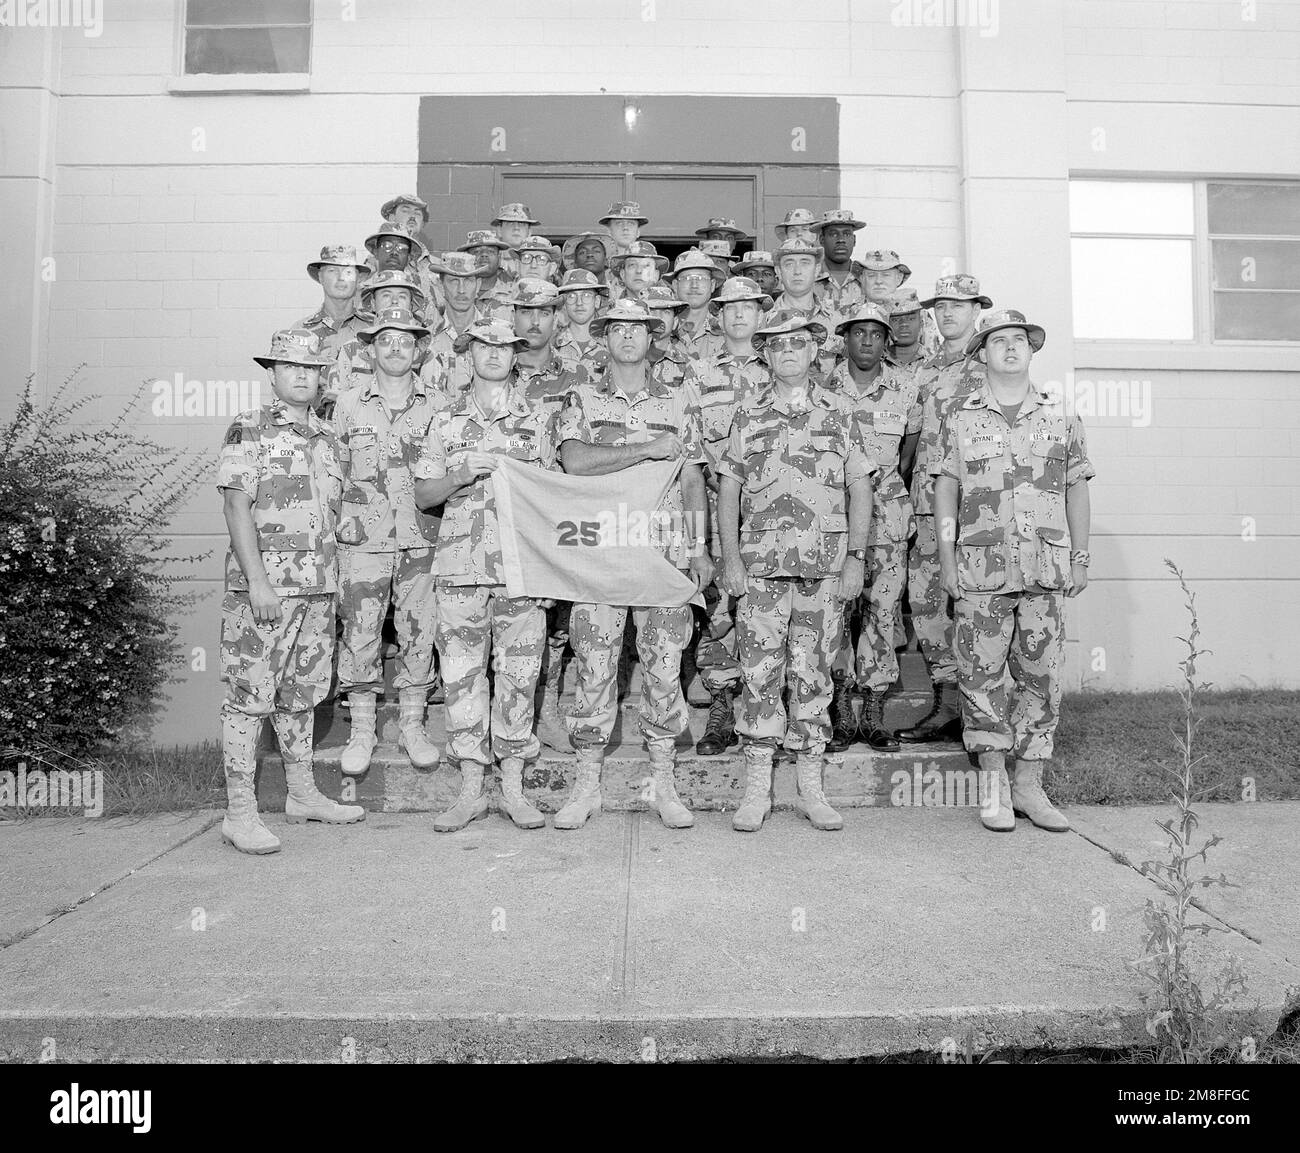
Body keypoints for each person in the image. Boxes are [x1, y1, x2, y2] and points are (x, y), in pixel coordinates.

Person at [552, 299, 712, 831]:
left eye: (636, 329)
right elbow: (575, 459)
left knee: (664, 666)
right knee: (595, 666)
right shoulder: (582, 396)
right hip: (600, 548)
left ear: (651, 338)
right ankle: (586, 783)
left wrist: (698, 548)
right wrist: (646, 448)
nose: (627, 337)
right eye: (617, 328)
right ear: (604, 336)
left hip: (662, 552)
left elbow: (692, 480)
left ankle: (662, 781)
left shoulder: (680, 399)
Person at [933, 310, 1093, 833]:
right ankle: (993, 784)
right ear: (981, 354)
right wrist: (948, 558)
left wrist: (1080, 555)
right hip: (980, 569)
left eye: (1019, 340)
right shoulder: (959, 418)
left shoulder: (1061, 416)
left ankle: (1029, 784)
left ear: (1031, 351)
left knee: (1042, 678)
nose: (1009, 348)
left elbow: (1076, 487)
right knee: (980, 675)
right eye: (998, 340)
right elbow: (946, 490)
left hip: (1043, 570)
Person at [716, 312, 876, 833]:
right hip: (761, 568)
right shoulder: (748, 415)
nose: (788, 351)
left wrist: (856, 558)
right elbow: (729, 489)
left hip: (824, 569)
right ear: (765, 354)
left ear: (813, 352)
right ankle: (757, 786)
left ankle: (811, 784)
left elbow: (860, 488)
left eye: (798, 343)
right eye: (778, 344)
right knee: (759, 673)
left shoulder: (840, 413)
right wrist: (731, 560)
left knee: (814, 674)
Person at [216, 329, 366, 855]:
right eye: (291, 367)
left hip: (318, 589)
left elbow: (330, 515)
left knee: (302, 696)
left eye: (311, 368)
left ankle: (302, 794)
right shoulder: (249, 429)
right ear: (273, 374)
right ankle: (239, 812)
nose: (302, 375)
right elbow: (237, 506)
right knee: (248, 697)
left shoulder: (326, 436)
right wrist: (257, 580)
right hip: (266, 591)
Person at [414, 320, 557, 831]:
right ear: (469, 352)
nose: (494, 354)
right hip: (459, 571)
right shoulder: (444, 421)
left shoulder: (538, 422)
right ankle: (471, 789)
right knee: (461, 678)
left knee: (519, 678)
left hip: (520, 573)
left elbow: (553, 500)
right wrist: (457, 475)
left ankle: (513, 789)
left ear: (516, 355)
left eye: (504, 347)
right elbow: (422, 496)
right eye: (485, 345)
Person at [332, 308, 445, 778]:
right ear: (370, 349)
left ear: (418, 350)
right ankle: (362, 730)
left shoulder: (440, 405)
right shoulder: (347, 404)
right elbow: (333, 473)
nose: (396, 348)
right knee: (361, 633)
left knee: (421, 631)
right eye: (385, 341)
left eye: (405, 341)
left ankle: (413, 726)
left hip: (422, 538)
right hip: (363, 541)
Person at [896, 274, 992, 744]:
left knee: (981, 603)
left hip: (981, 507)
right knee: (928, 602)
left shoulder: (992, 364)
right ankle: (947, 702)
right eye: (942, 306)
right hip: (928, 506)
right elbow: (911, 437)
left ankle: (985, 707)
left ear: (976, 310)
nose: (948, 312)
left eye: (959, 304)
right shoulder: (924, 370)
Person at [682, 275, 773, 756]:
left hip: (772, 512)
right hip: (717, 507)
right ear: (718, 315)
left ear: (762, 313)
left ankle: (763, 709)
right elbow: (692, 450)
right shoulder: (698, 372)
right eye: (730, 308)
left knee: (764, 610)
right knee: (716, 608)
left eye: (749, 307)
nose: (739, 315)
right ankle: (721, 706)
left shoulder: (778, 367)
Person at [825, 302, 921, 752]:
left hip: (887, 519)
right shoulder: (820, 387)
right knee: (838, 613)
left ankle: (876, 711)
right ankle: (841, 708)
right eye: (858, 332)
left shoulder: (905, 389)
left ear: (887, 341)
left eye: (875, 333)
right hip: (833, 518)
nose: (866, 340)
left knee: (882, 612)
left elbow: (909, 452)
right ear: (844, 338)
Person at [298, 245, 371, 414]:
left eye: (348, 272)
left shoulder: (374, 330)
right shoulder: (301, 331)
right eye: (332, 271)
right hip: (315, 429)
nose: (340, 278)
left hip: (364, 429)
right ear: (320, 277)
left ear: (358, 279)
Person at [769, 236, 842, 375]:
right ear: (778, 271)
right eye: (789, 264)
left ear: (817, 269)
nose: (797, 271)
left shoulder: (838, 321)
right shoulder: (763, 322)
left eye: (805, 263)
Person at [665, 249, 725, 367]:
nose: (694, 285)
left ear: (712, 285)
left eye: (701, 278)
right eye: (687, 278)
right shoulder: (662, 330)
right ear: (675, 285)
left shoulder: (726, 330)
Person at [553, 268, 610, 377]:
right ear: (564, 303)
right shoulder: (551, 344)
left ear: (597, 301)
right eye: (571, 296)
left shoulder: (611, 344)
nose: (579, 302)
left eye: (586, 295)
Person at [811, 208, 868, 314]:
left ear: (854, 240)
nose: (841, 240)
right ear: (822, 240)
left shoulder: (868, 279)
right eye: (833, 234)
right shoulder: (807, 279)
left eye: (846, 234)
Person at [458, 228, 516, 308]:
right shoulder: (454, 291)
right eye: (477, 251)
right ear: (467, 257)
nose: (484, 254)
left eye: (490, 251)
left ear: (499, 258)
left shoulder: (515, 292)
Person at [492, 202, 541, 280]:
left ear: (529, 231)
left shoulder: (541, 264)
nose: (516, 228)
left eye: (521, 223)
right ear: (499, 230)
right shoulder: (488, 263)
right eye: (510, 223)